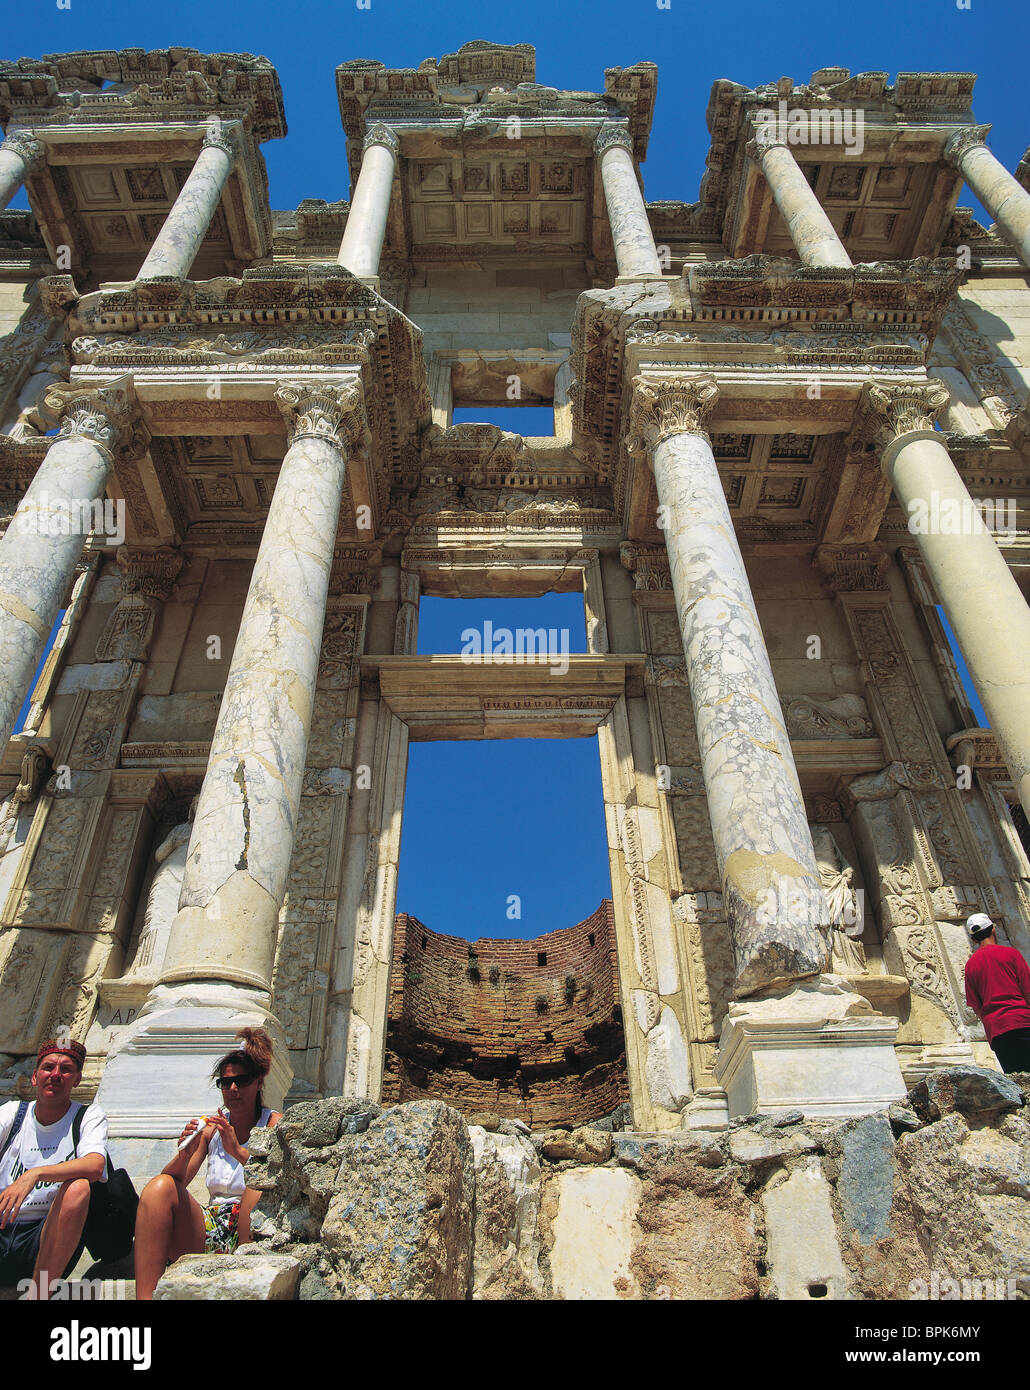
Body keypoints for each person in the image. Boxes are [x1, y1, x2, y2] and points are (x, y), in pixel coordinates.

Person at [133, 1027, 281, 1301]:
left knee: (255, 1189)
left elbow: (280, 1178)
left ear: (259, 1082)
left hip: (253, 1223)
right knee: (159, 1187)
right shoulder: (210, 1129)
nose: (233, 1089)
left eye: (242, 1081)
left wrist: (237, 1151)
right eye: (226, 1083)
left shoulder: (274, 1124)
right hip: (210, 1224)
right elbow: (176, 1182)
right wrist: (185, 1154)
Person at [0, 1039, 108, 1297]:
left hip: (46, 1240)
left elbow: (95, 1164)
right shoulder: (12, 1113)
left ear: (78, 1079)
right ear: (35, 1077)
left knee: (79, 1187)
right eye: (48, 1068)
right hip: (4, 1225)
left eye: (66, 1070)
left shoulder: (87, 1116)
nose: (56, 1075)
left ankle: (39, 1294)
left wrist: (34, 1174)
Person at [963, 913, 1030, 1073]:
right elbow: (1028, 992)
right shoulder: (1011, 954)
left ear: (973, 940)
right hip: (1022, 1022)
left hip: (998, 1032)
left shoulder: (971, 966)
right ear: (993, 930)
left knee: (1018, 1082)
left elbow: (976, 1007)